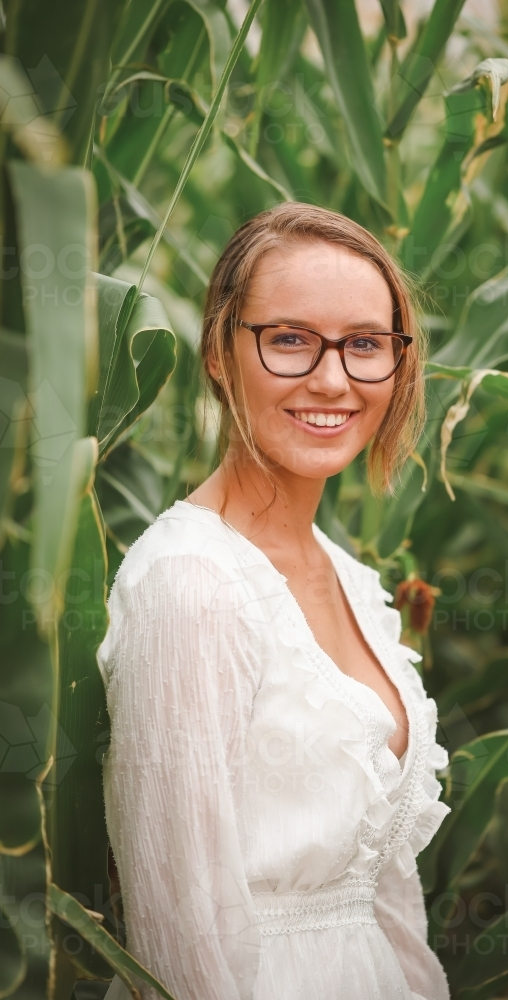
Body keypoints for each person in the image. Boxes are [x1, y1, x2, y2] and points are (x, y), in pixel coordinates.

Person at [98, 203, 451, 1000]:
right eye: (289, 339)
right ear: (221, 352)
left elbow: (381, 891)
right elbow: (175, 932)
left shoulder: (351, 580)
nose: (333, 379)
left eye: (364, 344)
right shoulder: (192, 586)